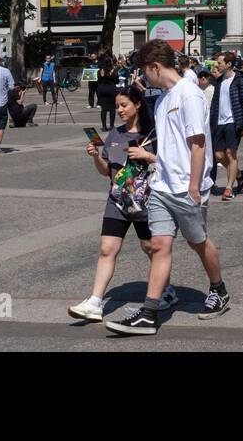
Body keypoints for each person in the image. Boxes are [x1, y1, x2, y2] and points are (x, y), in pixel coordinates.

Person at [106, 40, 229, 336]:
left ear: (155, 67)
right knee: (159, 245)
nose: (145, 79)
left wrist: (194, 184)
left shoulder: (190, 95)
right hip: (162, 183)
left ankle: (218, 289)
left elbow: (198, 143)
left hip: (187, 185)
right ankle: (149, 312)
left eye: (146, 73)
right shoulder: (162, 99)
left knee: (197, 241)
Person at [68, 84, 179, 322]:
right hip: (117, 201)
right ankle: (95, 302)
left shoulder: (156, 134)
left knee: (151, 249)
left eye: (124, 105)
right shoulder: (115, 135)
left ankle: (167, 291)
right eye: (117, 105)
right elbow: (106, 171)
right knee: (107, 249)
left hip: (147, 203)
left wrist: (147, 156)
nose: (119, 110)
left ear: (137, 105)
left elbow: (173, 165)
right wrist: (96, 156)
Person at [209, 52, 243, 201]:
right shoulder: (219, 81)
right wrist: (211, 122)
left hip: (234, 122)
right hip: (219, 123)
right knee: (219, 156)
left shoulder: (240, 81)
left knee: (230, 154)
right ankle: (240, 175)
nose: (217, 65)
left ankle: (229, 189)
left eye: (220, 62)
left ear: (228, 64)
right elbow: (215, 104)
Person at [96, 56, 119, 132]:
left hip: (102, 90)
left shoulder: (100, 71)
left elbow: (98, 81)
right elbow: (117, 81)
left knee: (104, 109)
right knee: (112, 109)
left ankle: (104, 126)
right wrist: (112, 75)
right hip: (111, 90)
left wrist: (103, 77)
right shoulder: (113, 70)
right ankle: (111, 126)